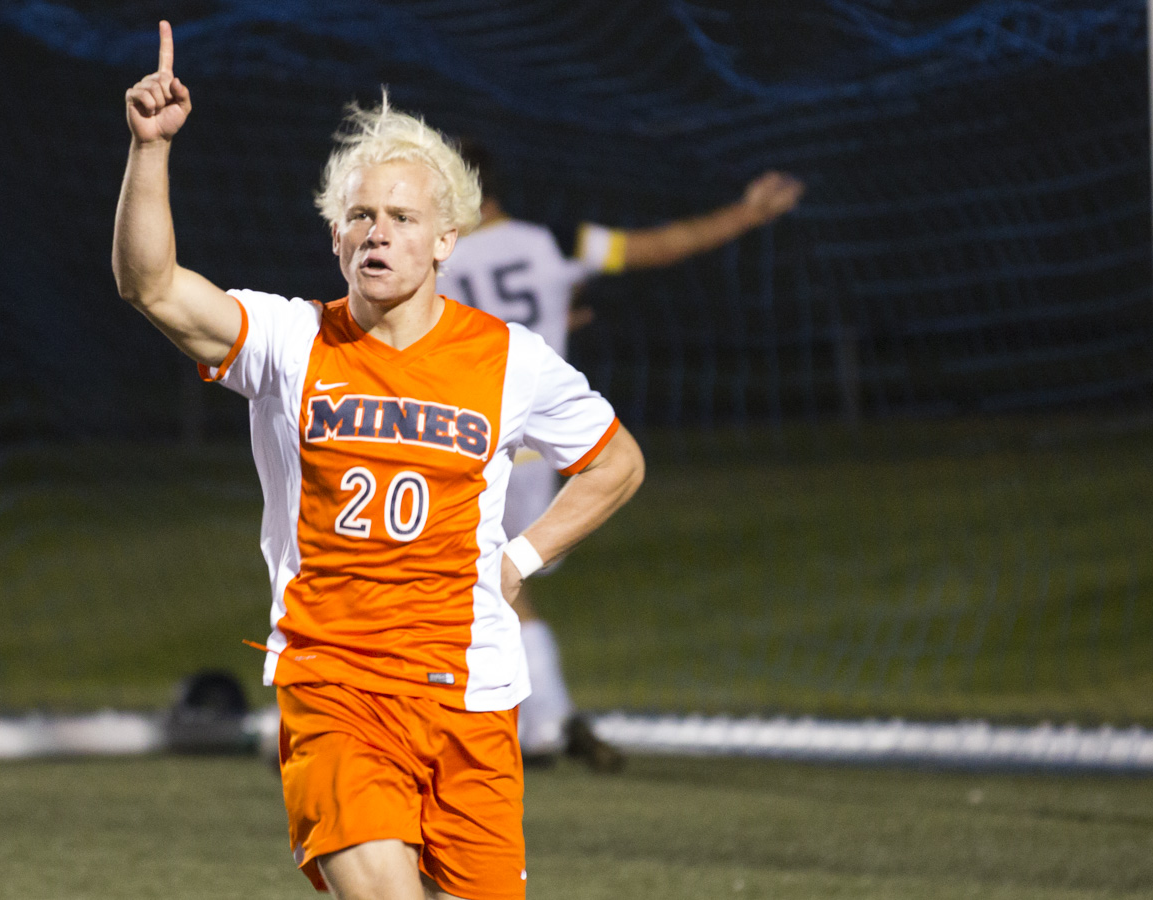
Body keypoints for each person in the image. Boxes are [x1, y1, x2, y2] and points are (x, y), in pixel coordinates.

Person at [114, 22, 643, 900]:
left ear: (446, 241)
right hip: (337, 689)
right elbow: (151, 284)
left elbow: (616, 462)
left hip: (472, 694)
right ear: (334, 235)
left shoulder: (509, 360)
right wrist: (148, 152)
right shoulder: (289, 339)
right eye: (360, 215)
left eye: (402, 217)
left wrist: (519, 560)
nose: (378, 233)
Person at [447, 145, 804, 768]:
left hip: (472, 443)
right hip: (543, 453)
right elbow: (660, 246)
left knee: (480, 584)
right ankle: (533, 722)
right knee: (492, 586)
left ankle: (544, 725)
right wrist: (747, 214)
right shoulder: (555, 240)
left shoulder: (436, 256)